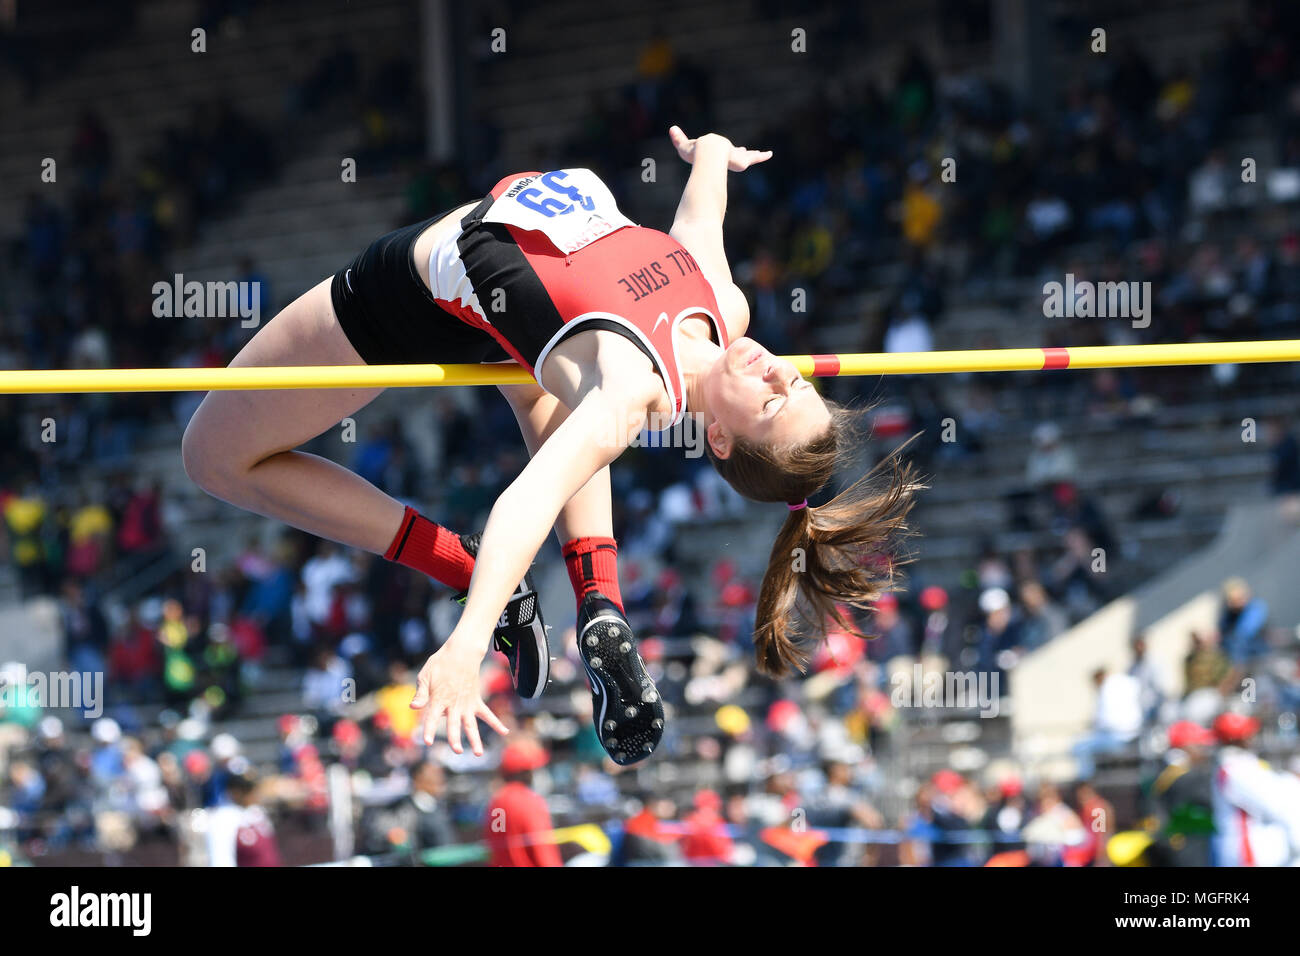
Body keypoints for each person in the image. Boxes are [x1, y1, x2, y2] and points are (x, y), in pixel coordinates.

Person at [182, 128, 919, 764]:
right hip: (505, 310)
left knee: (211, 458)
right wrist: (712, 155)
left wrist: (467, 645)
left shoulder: (630, 390)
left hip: (406, 301)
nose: (778, 373)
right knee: (548, 386)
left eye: (771, 402)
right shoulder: (723, 309)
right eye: (796, 383)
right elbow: (699, 222)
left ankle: (467, 567)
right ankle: (600, 600)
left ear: (718, 437)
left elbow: (527, 498)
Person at [483, 739, 561, 867]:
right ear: (526, 772)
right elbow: (543, 851)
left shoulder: (496, 802)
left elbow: (494, 851)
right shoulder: (530, 802)